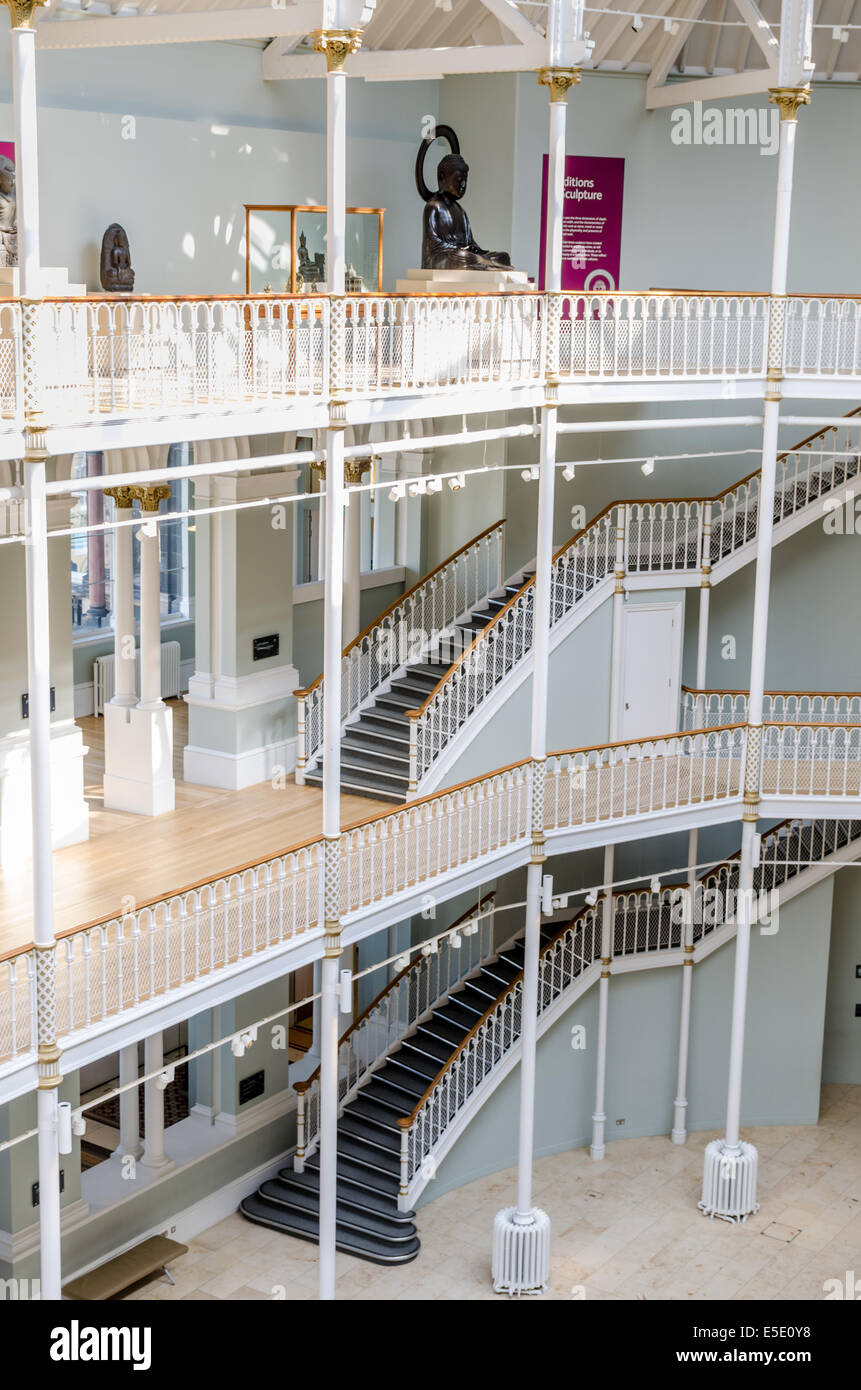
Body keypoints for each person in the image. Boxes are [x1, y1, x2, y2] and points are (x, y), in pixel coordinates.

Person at [421, 153, 511, 273]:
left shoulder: (460, 211)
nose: (463, 185)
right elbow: (432, 244)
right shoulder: (433, 207)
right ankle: (485, 264)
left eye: (465, 180)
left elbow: (470, 242)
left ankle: (485, 263)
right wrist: (460, 249)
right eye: (458, 180)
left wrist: (476, 250)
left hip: (465, 256)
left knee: (503, 256)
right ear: (442, 177)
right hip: (442, 258)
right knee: (463, 256)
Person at [0, 157, 17, 269]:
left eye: (14, 181)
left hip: (12, 233)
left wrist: (16, 226)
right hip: (1, 232)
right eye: (9, 180)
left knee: (25, 238)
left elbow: (17, 219)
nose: (12, 184)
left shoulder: (14, 198)